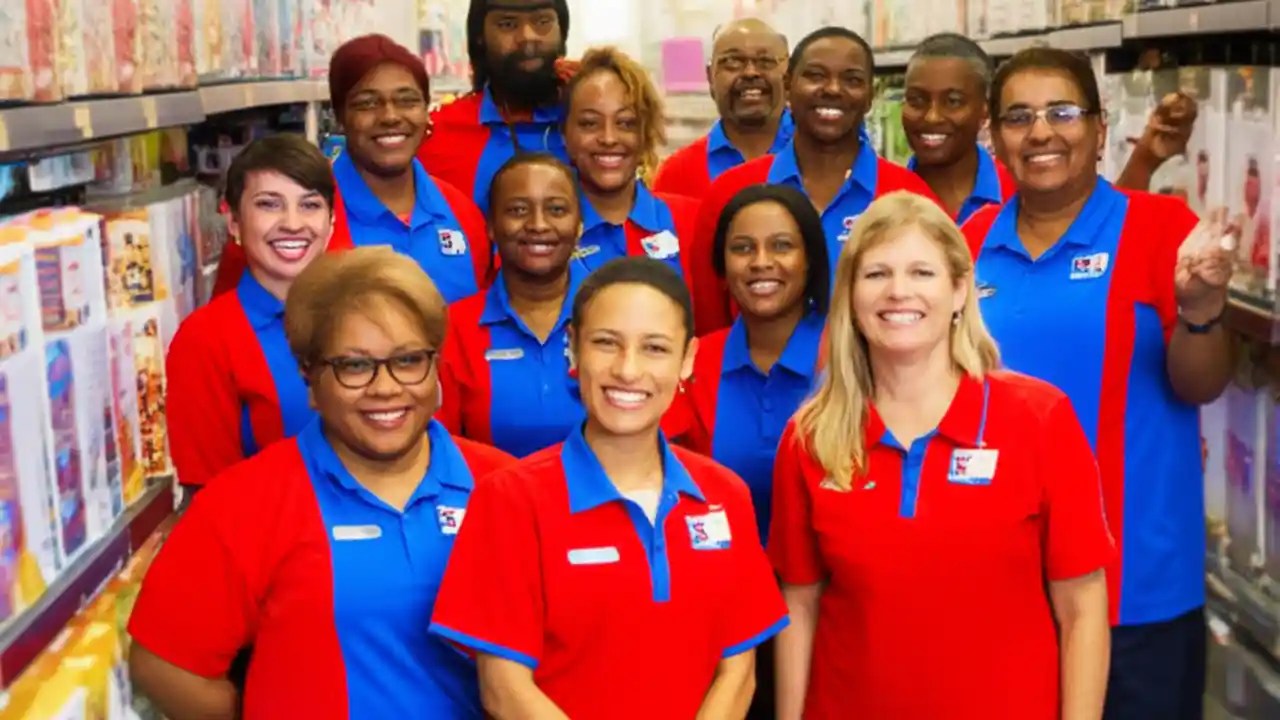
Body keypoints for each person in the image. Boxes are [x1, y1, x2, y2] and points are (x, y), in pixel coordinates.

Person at [960, 47, 1236, 720]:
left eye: (1063, 112)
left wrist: (1201, 313)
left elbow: (1198, 387)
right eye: (1019, 116)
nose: (1042, 132)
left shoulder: (1159, 228)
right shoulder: (966, 242)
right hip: (1002, 583)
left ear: (1102, 127)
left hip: (1136, 584)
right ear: (995, 136)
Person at [128, 247, 517, 719]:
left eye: (409, 360)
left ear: (435, 366)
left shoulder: (502, 485)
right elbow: (165, 664)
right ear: (309, 379)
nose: (386, 387)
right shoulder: (245, 501)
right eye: (354, 366)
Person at [770, 190, 1113, 720]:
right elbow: (800, 605)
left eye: (922, 273)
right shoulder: (811, 438)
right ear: (852, 299)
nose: (898, 291)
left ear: (959, 291)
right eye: (877, 273)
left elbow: (1083, 609)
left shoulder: (1038, 419)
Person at [430, 257, 788, 719]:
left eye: (655, 348)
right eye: (605, 343)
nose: (628, 369)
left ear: (688, 361)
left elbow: (738, 671)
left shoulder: (725, 495)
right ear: (572, 349)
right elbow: (503, 686)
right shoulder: (510, 498)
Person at [692, 26, 935, 335]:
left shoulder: (909, 196)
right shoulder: (731, 191)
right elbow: (709, 323)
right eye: (816, 75)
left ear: (871, 97)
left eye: (852, 79)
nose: (833, 89)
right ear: (788, 86)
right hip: (757, 383)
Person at [212, 34, 491, 304]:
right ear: (340, 116)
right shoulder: (293, 216)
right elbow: (232, 330)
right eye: (367, 103)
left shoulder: (461, 213)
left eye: (407, 100)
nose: (390, 117)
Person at [165, 134, 334, 491]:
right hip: (270, 541)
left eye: (310, 205)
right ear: (235, 223)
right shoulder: (206, 340)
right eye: (269, 204)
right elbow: (209, 498)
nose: (292, 223)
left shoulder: (362, 315)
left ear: (331, 223)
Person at [903, 33, 1197, 223]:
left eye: (953, 101)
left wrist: (1143, 161)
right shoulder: (882, 194)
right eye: (916, 100)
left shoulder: (1028, 178)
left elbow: (1106, 230)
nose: (932, 117)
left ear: (985, 113)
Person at [676, 184, 829, 545]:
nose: (761, 261)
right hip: (723, 584)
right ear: (722, 266)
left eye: (782, 245)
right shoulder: (692, 364)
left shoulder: (853, 356)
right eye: (742, 248)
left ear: (810, 259)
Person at [438, 153, 587, 457]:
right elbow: (441, 448)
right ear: (491, 226)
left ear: (580, 226)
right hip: (488, 500)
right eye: (518, 210)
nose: (538, 224)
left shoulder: (615, 316)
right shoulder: (452, 328)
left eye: (556, 209)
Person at [563, 46, 700, 290]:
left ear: (645, 132)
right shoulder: (542, 230)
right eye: (589, 123)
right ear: (565, 133)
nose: (608, 138)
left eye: (625, 123)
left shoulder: (693, 222)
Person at [418, 0, 573, 213]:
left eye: (542, 21)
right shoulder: (435, 135)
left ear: (562, 30)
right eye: (507, 24)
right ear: (480, 37)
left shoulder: (598, 126)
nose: (527, 36)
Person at [651, 18, 794, 199]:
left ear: (788, 75)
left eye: (765, 61)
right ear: (710, 77)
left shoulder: (822, 157)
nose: (750, 72)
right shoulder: (676, 176)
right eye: (733, 61)